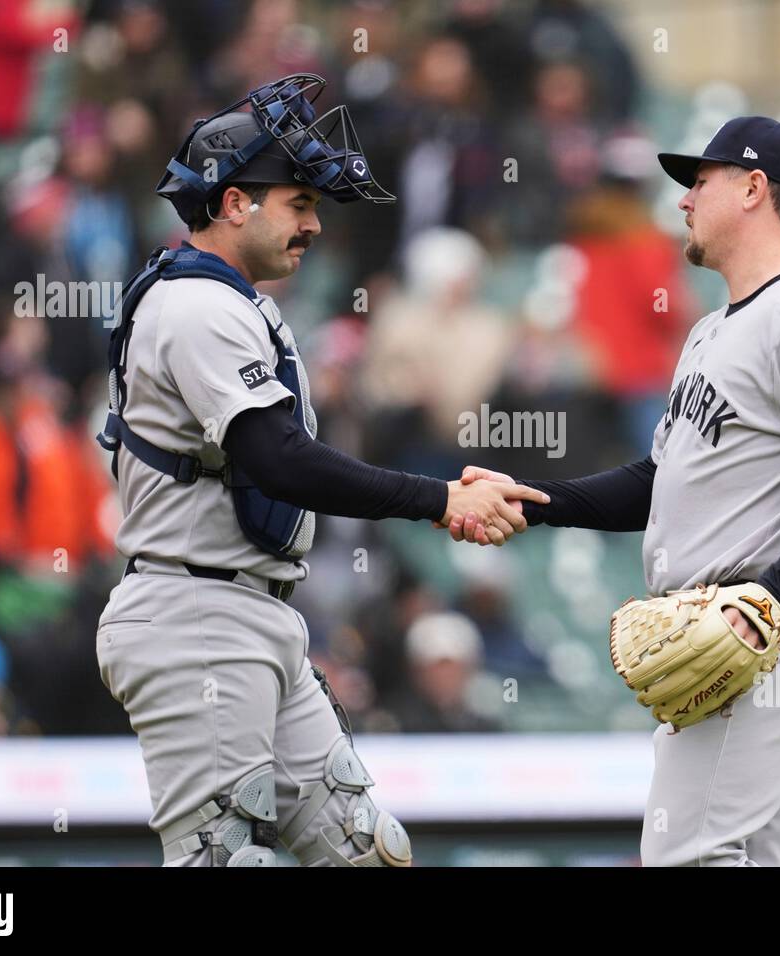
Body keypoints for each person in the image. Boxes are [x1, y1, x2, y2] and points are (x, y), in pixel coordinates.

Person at [93, 74, 546, 867]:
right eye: (298, 204)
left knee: (367, 853)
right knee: (227, 861)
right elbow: (279, 461)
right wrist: (440, 499)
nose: (312, 226)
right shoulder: (197, 306)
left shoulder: (235, 301)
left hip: (249, 611)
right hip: (193, 612)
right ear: (234, 203)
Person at [451, 117, 780, 866]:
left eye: (700, 181)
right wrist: (536, 500)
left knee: (686, 855)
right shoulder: (709, 332)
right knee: (740, 858)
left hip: (767, 629)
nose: (684, 202)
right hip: (736, 627)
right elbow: (657, 483)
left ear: (755, 189)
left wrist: (772, 601)